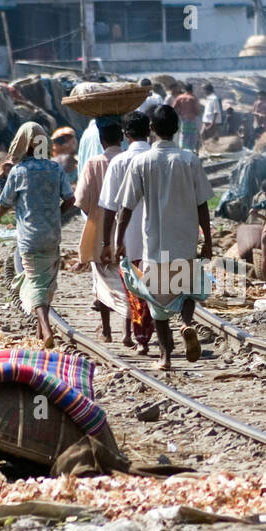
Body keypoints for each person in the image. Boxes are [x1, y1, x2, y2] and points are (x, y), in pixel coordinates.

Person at [116, 105, 213, 372]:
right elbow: (202, 205)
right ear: (177, 129)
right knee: (188, 289)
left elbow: (125, 208)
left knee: (158, 303)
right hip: (185, 242)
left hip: (156, 245)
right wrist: (209, 241)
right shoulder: (189, 160)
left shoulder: (141, 162)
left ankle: (165, 357)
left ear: (151, 130)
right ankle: (187, 323)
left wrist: (118, 241)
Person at [0, 122, 75, 349]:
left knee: (35, 281)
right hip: (52, 235)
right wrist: (56, 215)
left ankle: (46, 329)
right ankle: (40, 331)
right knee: (47, 281)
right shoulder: (55, 168)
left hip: (29, 238)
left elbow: (4, 202)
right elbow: (70, 199)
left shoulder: (19, 171)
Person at [99, 111, 154, 353]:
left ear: (125, 134)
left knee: (135, 290)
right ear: (149, 131)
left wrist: (107, 242)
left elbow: (110, 208)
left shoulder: (118, 162)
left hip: (129, 239)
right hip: (158, 236)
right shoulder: (158, 159)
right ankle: (160, 334)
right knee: (159, 288)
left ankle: (142, 338)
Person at [75, 118, 124, 340]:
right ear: (121, 137)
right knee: (128, 278)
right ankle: (128, 331)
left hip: (99, 227)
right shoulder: (130, 161)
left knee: (102, 279)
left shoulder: (93, 163)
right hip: (128, 227)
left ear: (102, 140)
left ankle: (106, 330)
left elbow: (82, 199)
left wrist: (93, 212)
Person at [171, 82, 201, 151]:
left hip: (183, 120)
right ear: (191, 90)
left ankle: (183, 151)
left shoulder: (180, 97)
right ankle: (191, 152)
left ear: (185, 89)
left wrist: (179, 112)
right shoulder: (193, 98)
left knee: (183, 136)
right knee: (192, 137)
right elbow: (197, 111)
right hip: (192, 120)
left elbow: (173, 108)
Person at [200, 82, 223, 149]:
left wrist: (212, 124)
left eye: (204, 89)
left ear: (207, 90)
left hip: (211, 122)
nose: (203, 91)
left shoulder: (214, 98)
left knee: (212, 138)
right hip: (206, 121)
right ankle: (205, 149)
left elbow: (216, 112)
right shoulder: (209, 98)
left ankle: (212, 151)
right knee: (203, 134)